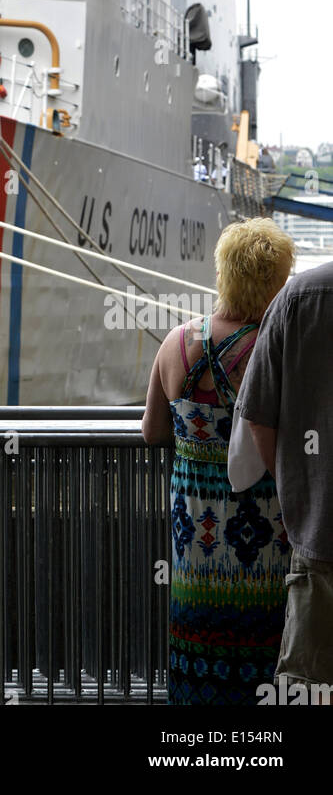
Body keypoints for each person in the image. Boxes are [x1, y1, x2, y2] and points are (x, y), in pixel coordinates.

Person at [141, 217, 295, 703]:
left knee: (195, 632)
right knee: (264, 644)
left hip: (193, 535)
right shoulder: (275, 348)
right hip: (266, 529)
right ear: (272, 282)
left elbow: (152, 432)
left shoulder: (175, 344)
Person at [233, 258, 333, 696]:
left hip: (319, 538)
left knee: (309, 688)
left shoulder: (298, 297)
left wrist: (297, 486)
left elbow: (257, 415)